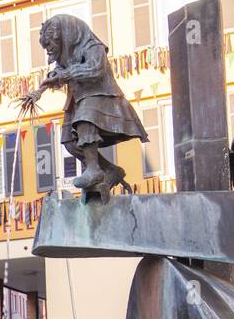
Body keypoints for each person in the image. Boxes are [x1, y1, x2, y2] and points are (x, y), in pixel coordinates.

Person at [26, 13, 148, 201]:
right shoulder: (66, 54)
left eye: (51, 46)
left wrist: (65, 74)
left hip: (101, 95)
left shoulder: (93, 46)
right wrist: (46, 85)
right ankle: (110, 170)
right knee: (69, 142)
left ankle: (93, 170)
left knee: (85, 121)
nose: (49, 51)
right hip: (78, 99)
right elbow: (60, 70)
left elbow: (95, 69)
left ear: (64, 36)